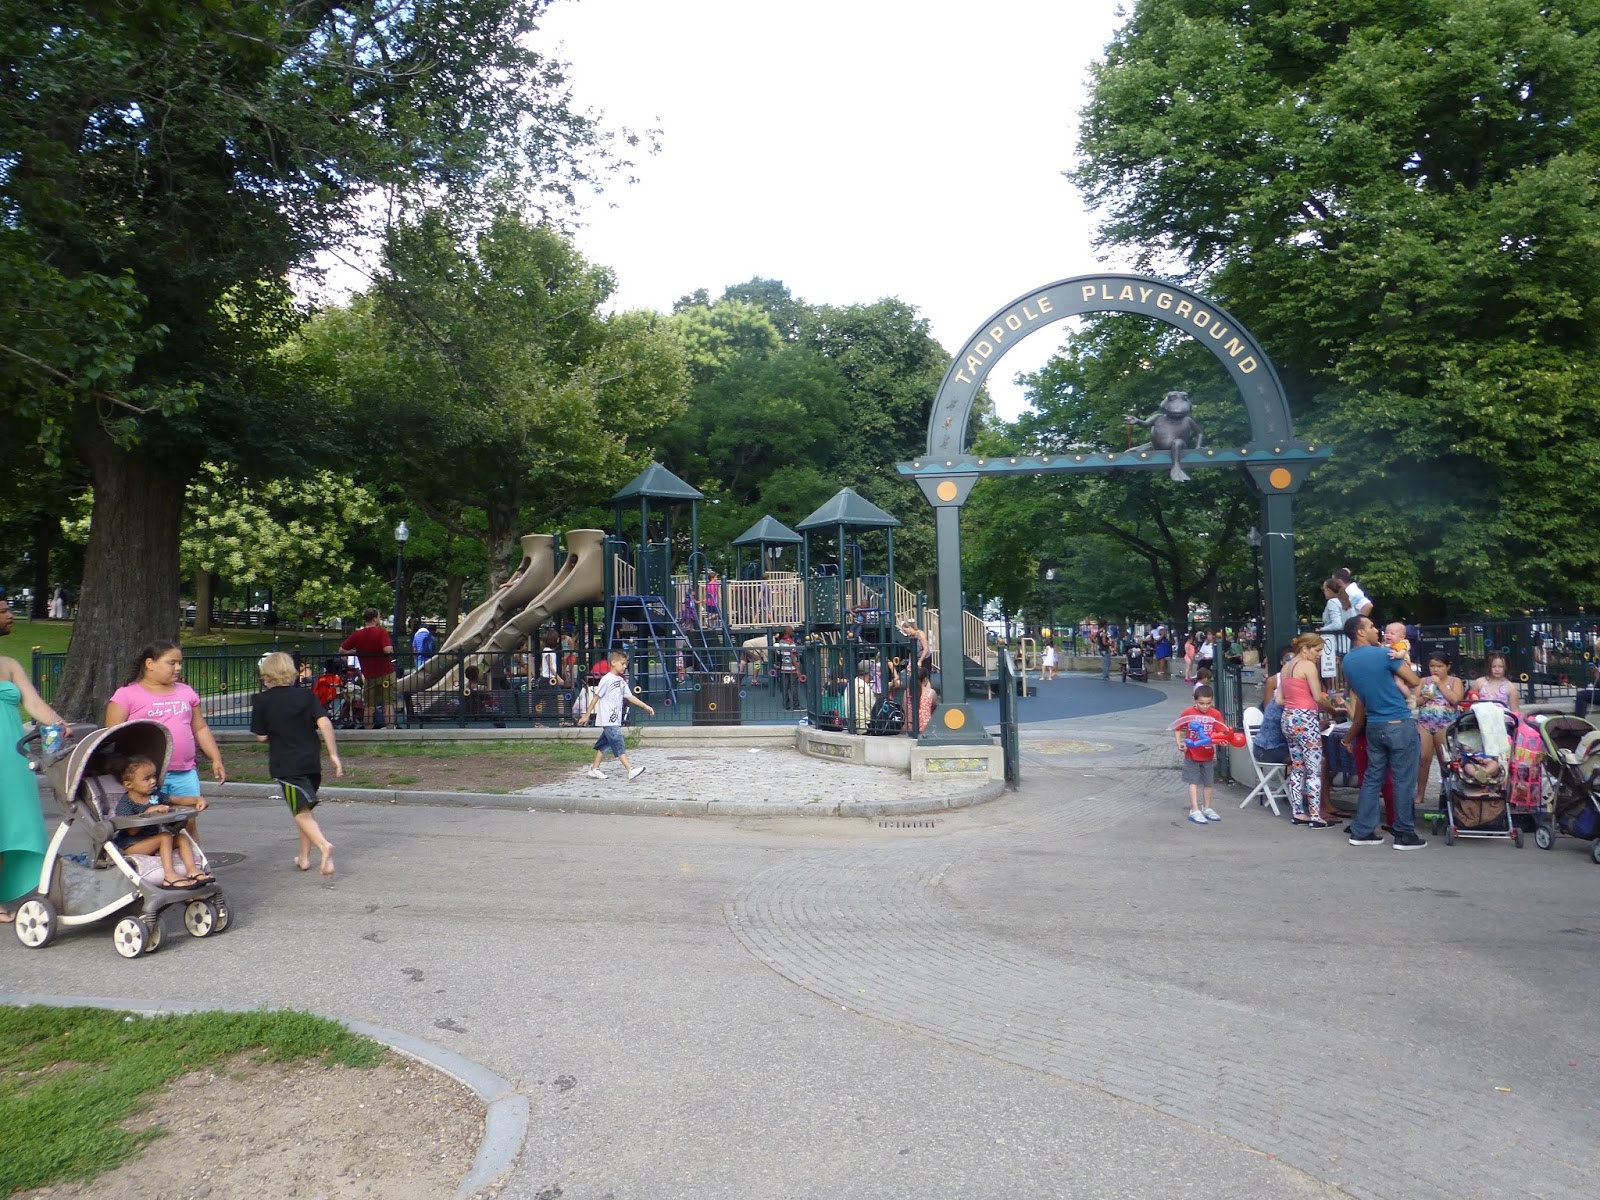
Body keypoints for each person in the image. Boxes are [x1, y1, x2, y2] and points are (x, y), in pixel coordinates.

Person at [105, 641, 226, 836]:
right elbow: (111, 734)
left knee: (188, 823)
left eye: (180, 663)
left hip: (184, 771)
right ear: (150, 664)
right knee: (149, 825)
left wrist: (216, 758)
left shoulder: (186, 692)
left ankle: (192, 864)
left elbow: (200, 728)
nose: (178, 668)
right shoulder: (126, 695)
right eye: (172, 663)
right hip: (146, 776)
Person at [1, 589, 64, 922]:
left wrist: (58, 722)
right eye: (2, 611)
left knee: (10, 824)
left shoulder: (9, 665)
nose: (9, 615)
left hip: (11, 756)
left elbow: (34, 704)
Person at [251, 652, 341, 877]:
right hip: (312, 762)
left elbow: (261, 736)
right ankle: (303, 857)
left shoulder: (263, 700)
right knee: (303, 809)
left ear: (266, 675)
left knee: (300, 811)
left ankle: (323, 846)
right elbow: (324, 722)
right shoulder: (306, 696)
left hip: (286, 765)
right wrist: (333, 754)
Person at [1341, 614, 1425, 849]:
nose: (1376, 630)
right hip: (1398, 720)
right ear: (1360, 632)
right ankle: (1404, 833)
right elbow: (1413, 679)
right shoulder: (1382, 654)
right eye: (1371, 626)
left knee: (1372, 778)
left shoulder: (1347, 661)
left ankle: (1363, 830)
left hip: (1374, 724)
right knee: (1403, 779)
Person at [110, 755, 206, 888]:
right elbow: (131, 831)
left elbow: (177, 800)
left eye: (153, 776)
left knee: (182, 837)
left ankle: (192, 870)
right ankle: (169, 875)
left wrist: (197, 800)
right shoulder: (126, 804)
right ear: (128, 784)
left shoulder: (155, 796)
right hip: (131, 845)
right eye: (146, 779)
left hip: (153, 840)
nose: (153, 781)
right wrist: (149, 812)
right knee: (165, 837)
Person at [1279, 633, 1340, 826]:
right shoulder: (1307, 666)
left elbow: (1279, 700)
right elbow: (1318, 696)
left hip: (1288, 718)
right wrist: (1332, 709)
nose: (1319, 654)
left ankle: (1298, 812)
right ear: (1305, 649)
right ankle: (1315, 816)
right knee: (1314, 769)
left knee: (1298, 767)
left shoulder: (1286, 667)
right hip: (1305, 720)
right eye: (1317, 650)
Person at [579, 650, 654, 780]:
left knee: (606, 744)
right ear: (613, 663)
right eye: (623, 664)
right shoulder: (606, 680)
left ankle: (594, 769)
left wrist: (645, 706)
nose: (625, 666)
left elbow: (630, 697)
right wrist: (586, 715)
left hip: (614, 718)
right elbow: (596, 698)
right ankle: (630, 769)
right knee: (618, 742)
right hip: (608, 718)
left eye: (626, 664)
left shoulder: (621, 681)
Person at [1415, 650, 1465, 810]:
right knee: (1423, 758)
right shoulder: (1423, 681)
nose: (1435, 670)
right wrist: (1424, 698)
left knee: (1446, 760)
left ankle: (1448, 793)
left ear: (1447, 667)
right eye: (1432, 666)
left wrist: (1440, 685)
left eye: (1439, 666)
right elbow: (1414, 701)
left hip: (1446, 723)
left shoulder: (1454, 681)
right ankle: (1420, 793)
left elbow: (1456, 699)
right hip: (1425, 721)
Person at [1174, 684, 1229, 825]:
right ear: (1194, 700)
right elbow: (1178, 727)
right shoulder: (1188, 712)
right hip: (1192, 753)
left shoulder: (1215, 714)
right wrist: (1180, 743)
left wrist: (1223, 741)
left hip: (1208, 754)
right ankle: (1194, 809)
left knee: (1208, 783)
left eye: (1208, 703)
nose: (1205, 707)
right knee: (1193, 781)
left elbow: (1222, 732)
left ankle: (1207, 808)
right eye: (1201, 703)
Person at [339, 608, 396, 729]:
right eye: (379, 617)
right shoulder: (381, 632)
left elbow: (342, 650)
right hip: (385, 671)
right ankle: (391, 730)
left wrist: (357, 652)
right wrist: (391, 650)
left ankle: (368, 730)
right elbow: (387, 650)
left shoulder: (358, 634)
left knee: (369, 704)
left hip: (369, 674)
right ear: (375, 618)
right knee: (388, 702)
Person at [1252, 647, 1293, 767]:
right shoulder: (1278, 687)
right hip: (1269, 748)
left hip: (1278, 744)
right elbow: (1269, 708)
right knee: (1306, 755)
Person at [1318, 579, 1352, 683]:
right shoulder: (1347, 602)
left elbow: (1337, 624)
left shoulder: (1332, 602)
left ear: (1328, 589)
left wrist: (1322, 630)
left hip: (1336, 645)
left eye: (1323, 589)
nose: (1323, 592)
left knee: (1333, 674)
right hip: (1348, 643)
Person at [851, 661, 875, 734]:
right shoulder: (865, 688)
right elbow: (873, 709)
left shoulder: (851, 684)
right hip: (864, 727)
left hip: (852, 725)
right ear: (870, 672)